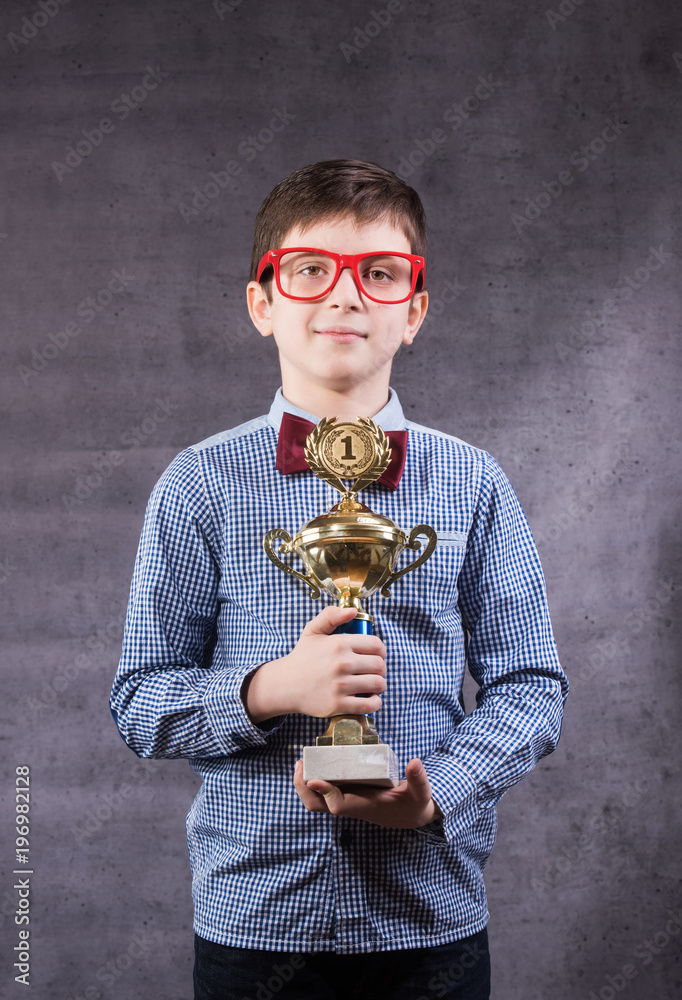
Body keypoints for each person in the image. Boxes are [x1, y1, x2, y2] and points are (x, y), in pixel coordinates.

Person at [110, 158, 568, 1000]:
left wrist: (437, 797)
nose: (346, 295)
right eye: (311, 269)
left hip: (430, 922)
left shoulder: (473, 482)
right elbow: (139, 701)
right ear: (263, 302)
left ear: (415, 310)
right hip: (255, 923)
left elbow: (533, 689)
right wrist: (269, 690)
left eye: (380, 274)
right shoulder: (199, 483)